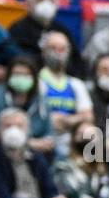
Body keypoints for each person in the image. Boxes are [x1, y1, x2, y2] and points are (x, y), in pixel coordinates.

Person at [35, 32, 93, 161]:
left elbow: (88, 116)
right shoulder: (36, 82)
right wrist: (50, 122)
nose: (58, 53)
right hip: (43, 139)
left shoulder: (76, 84)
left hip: (70, 139)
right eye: (53, 48)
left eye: (62, 49)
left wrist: (67, 120)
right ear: (43, 51)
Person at [9, 0, 86, 80]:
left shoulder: (62, 30)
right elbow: (18, 59)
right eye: (40, 0)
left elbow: (76, 60)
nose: (46, 4)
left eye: (51, 0)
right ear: (28, 4)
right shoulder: (18, 29)